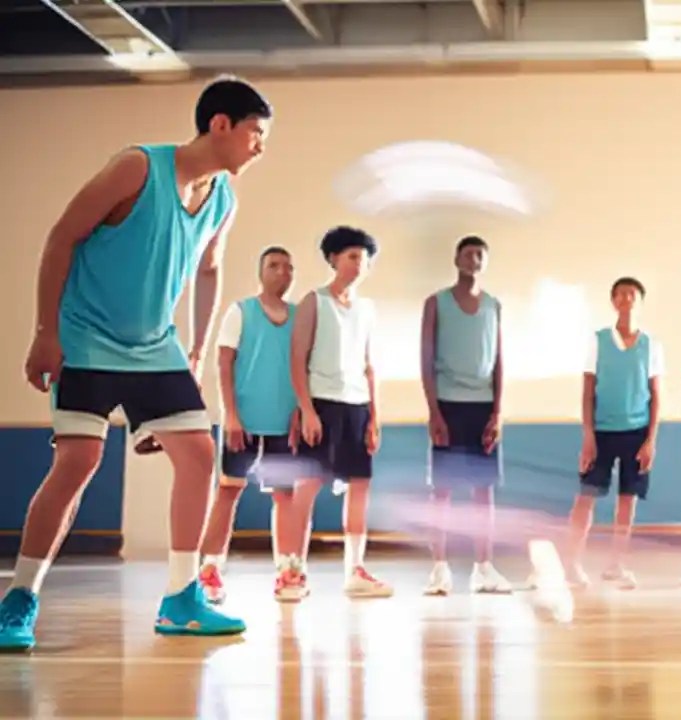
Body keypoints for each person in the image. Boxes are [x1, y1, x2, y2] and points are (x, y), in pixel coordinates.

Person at [0, 76, 271, 650]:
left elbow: (208, 269)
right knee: (79, 462)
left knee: (199, 454)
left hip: (155, 345)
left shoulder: (223, 197)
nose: (260, 146)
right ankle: (19, 598)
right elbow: (60, 238)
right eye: (255, 132)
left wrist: (196, 348)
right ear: (219, 124)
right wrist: (44, 333)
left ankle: (180, 599)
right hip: (87, 335)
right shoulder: (138, 168)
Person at [285, 225, 393, 599]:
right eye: (351, 256)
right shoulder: (314, 301)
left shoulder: (367, 309)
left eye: (364, 259)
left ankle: (356, 569)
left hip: (358, 405)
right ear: (333, 259)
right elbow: (297, 358)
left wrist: (375, 417)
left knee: (360, 485)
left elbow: (369, 364)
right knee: (308, 485)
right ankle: (293, 571)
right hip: (323, 403)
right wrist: (307, 410)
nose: (359, 264)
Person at [198, 245, 305, 605]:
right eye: (274, 265)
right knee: (228, 491)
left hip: (284, 425)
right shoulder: (240, 311)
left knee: (285, 496)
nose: (282, 272)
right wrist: (230, 414)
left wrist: (300, 411)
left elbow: (303, 370)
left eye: (288, 267)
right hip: (243, 423)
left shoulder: (300, 317)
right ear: (261, 272)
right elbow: (224, 364)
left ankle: (288, 571)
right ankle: (210, 570)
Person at [420, 236, 513, 595]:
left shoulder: (494, 306)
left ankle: (484, 568)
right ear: (456, 259)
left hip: (483, 407)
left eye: (480, 255)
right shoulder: (436, 303)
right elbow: (425, 358)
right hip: (447, 404)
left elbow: (499, 360)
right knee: (441, 491)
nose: (474, 259)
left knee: (483, 492)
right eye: (469, 254)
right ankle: (439, 569)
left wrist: (498, 411)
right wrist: (434, 411)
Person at [564, 277, 664, 590]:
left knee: (627, 502)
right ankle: (571, 565)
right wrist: (588, 436)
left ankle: (616, 564)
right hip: (603, 431)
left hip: (636, 432)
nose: (626, 298)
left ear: (640, 301)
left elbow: (656, 395)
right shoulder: (598, 340)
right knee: (586, 498)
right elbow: (587, 391)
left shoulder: (651, 345)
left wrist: (650, 441)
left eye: (631, 293)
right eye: (620, 294)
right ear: (612, 301)